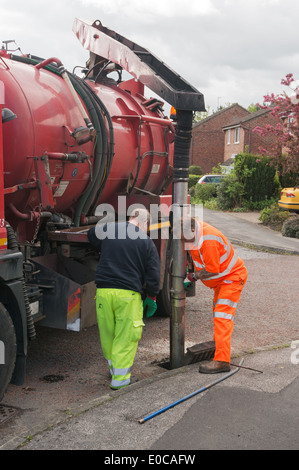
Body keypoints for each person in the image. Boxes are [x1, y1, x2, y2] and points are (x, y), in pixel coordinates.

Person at [87, 208, 160, 390]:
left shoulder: (110, 229)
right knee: (126, 337)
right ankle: (120, 381)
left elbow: (91, 235)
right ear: (144, 223)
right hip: (128, 296)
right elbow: (153, 274)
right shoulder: (146, 241)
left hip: (103, 293)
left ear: (130, 218)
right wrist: (152, 296)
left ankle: (113, 371)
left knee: (108, 335)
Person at [182, 216, 247, 374]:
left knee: (222, 317)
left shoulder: (208, 239)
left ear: (191, 230)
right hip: (222, 281)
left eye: (183, 237)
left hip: (231, 279)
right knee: (219, 317)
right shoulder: (193, 232)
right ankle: (220, 350)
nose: (182, 241)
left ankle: (222, 361)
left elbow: (212, 269)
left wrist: (193, 277)